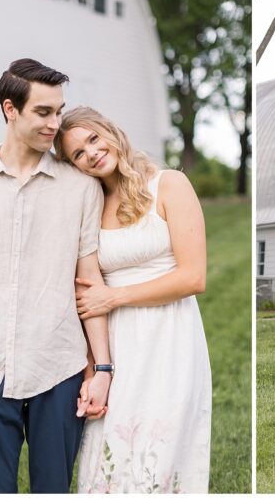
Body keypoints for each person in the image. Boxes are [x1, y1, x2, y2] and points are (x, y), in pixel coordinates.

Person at [0, 58, 113, 493]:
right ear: (10, 110)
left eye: (58, 111)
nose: (55, 124)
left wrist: (100, 367)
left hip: (59, 371)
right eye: (43, 112)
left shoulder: (81, 188)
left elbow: (89, 281)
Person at [53, 106, 212, 493]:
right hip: (117, 341)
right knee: (108, 446)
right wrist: (95, 368)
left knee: (161, 446)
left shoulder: (169, 185)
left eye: (93, 138)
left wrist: (115, 297)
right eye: (77, 153)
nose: (90, 153)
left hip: (169, 333)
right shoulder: (88, 205)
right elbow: (89, 293)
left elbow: (194, 277)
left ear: (111, 131)